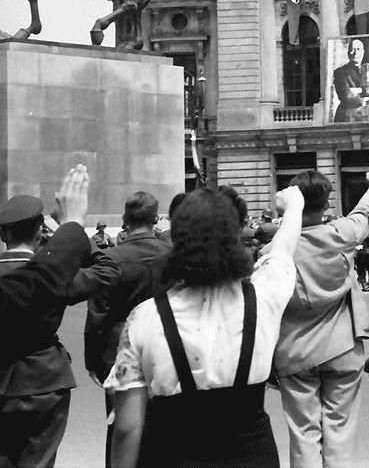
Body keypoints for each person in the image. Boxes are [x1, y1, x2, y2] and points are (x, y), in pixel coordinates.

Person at [105, 185, 305, 467]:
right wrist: (295, 205)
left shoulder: (145, 317)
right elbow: (283, 249)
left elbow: (126, 428)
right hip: (252, 456)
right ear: (235, 238)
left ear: (176, 239)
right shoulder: (264, 298)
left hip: (170, 455)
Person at [275, 157, 369, 468]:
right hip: (342, 346)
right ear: (327, 203)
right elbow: (366, 211)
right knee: (340, 429)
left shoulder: (277, 248)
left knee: (303, 433)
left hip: (295, 351)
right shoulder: (341, 234)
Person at [68, 191, 174, 465]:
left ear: (125, 219)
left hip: (119, 356)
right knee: (166, 428)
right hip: (168, 350)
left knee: (120, 428)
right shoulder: (173, 255)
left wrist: (92, 360)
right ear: (156, 218)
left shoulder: (110, 259)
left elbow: (98, 315)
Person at [0, 167, 91, 468]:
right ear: (40, 231)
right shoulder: (56, 279)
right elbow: (107, 272)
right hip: (44, 381)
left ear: (3, 233)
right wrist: (73, 227)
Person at [333, 39, 369, 122]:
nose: (355, 53)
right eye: (352, 50)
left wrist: (361, 90)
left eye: (358, 49)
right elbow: (346, 95)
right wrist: (366, 96)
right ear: (348, 53)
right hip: (347, 116)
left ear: (363, 52)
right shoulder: (340, 72)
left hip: (368, 115)